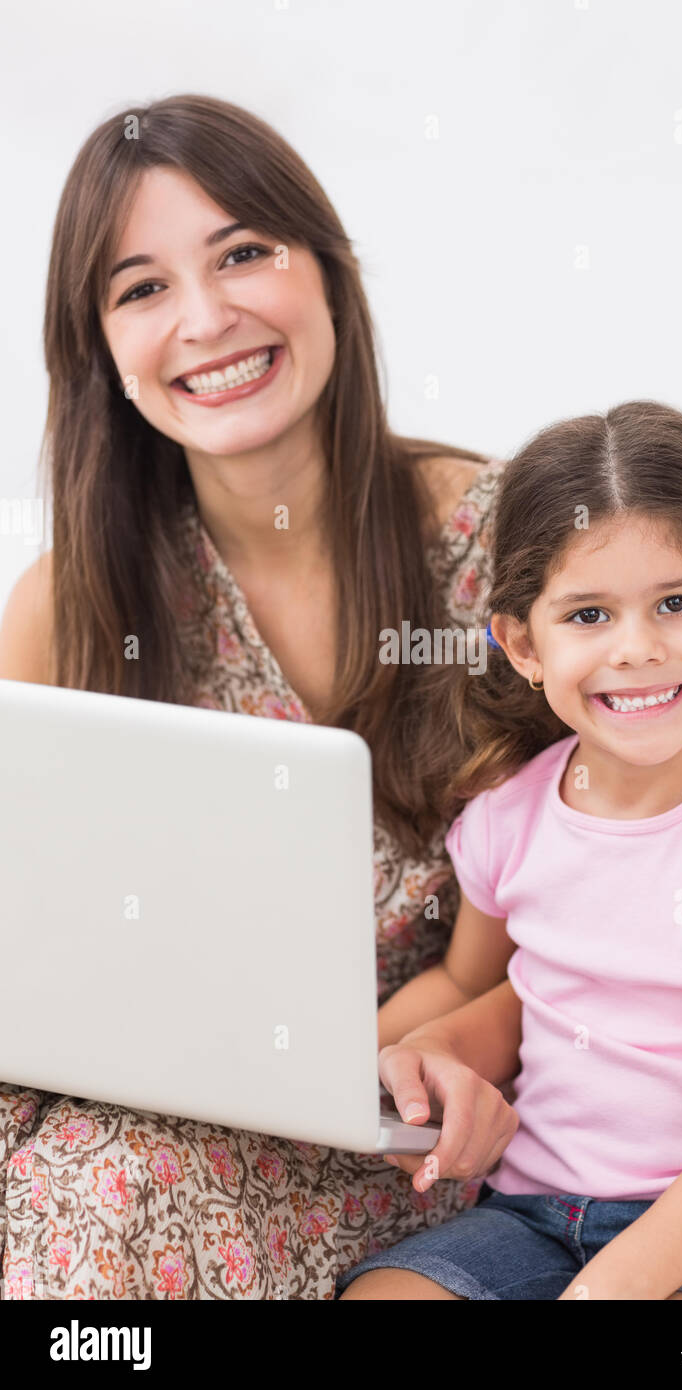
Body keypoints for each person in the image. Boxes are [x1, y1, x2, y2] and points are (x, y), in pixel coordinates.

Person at [0, 93, 512, 1300]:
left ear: (329, 272)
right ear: (101, 351)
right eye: (141, 288)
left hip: (391, 1118)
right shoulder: (67, 601)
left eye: (242, 254)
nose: (204, 318)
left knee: (108, 1193)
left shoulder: (505, 550)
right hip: (108, 1093)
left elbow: (632, 905)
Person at [336, 400, 682, 1301]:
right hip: (535, 1214)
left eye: (677, 604)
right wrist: (403, 1051)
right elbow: (474, 986)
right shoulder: (511, 813)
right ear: (522, 644)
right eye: (588, 614)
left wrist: (598, 1293)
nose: (637, 649)